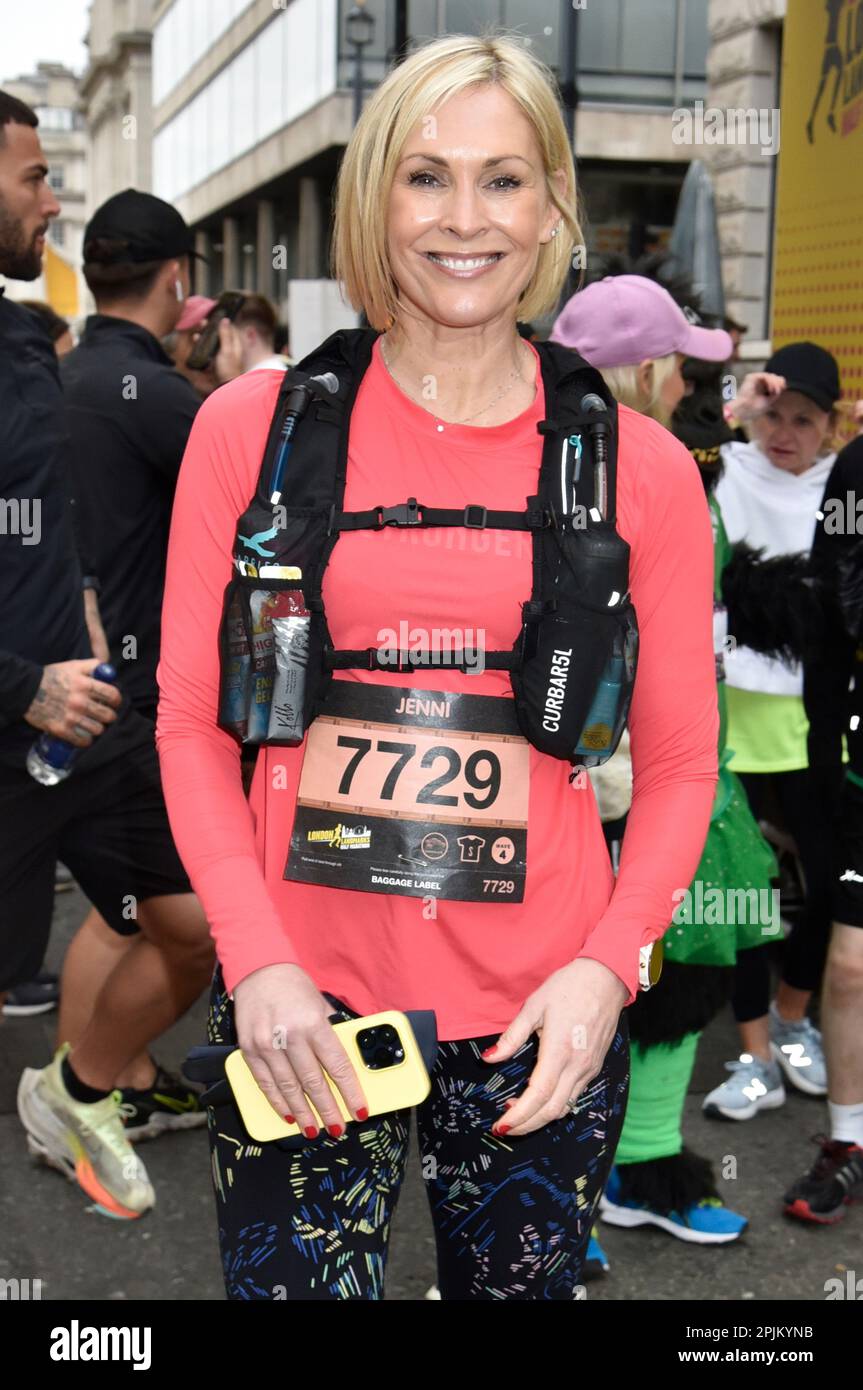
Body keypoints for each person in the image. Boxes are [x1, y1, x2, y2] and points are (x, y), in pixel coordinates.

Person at [156, 34, 718, 1301]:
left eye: (503, 180)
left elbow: (681, 763)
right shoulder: (249, 431)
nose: (464, 220)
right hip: (303, 1007)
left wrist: (607, 963)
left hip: (541, 1022)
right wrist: (256, 962)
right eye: (425, 177)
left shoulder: (648, 470)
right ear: (372, 199)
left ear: (553, 206)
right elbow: (190, 720)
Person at [0, 93, 211, 1219]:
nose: (52, 193)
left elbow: (42, 517)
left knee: (179, 922)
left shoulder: (40, 349)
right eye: (33, 175)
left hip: (88, 711)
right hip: (37, 710)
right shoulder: (141, 386)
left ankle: (80, 1090)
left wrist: (73, 615)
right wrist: (25, 682)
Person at [551, 274, 775, 1247]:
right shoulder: (617, 469)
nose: (687, 375)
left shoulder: (658, 459)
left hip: (669, 771)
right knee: (592, 981)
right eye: (678, 358)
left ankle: (633, 1169)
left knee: (673, 978)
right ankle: (561, 1190)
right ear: (644, 369)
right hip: (613, 778)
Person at [702, 344, 841, 1119]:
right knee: (739, 892)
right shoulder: (720, 466)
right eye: (774, 416)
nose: (784, 433)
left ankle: (794, 1014)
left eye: (803, 420)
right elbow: (667, 436)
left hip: (815, 718)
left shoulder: (843, 488)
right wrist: (733, 410)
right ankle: (753, 1048)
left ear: (830, 425)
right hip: (728, 714)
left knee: (828, 882)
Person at [782, 432, 863, 1221]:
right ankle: (845, 1141)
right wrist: (822, 744)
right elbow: (824, 604)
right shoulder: (857, 466)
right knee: (848, 968)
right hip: (856, 753)